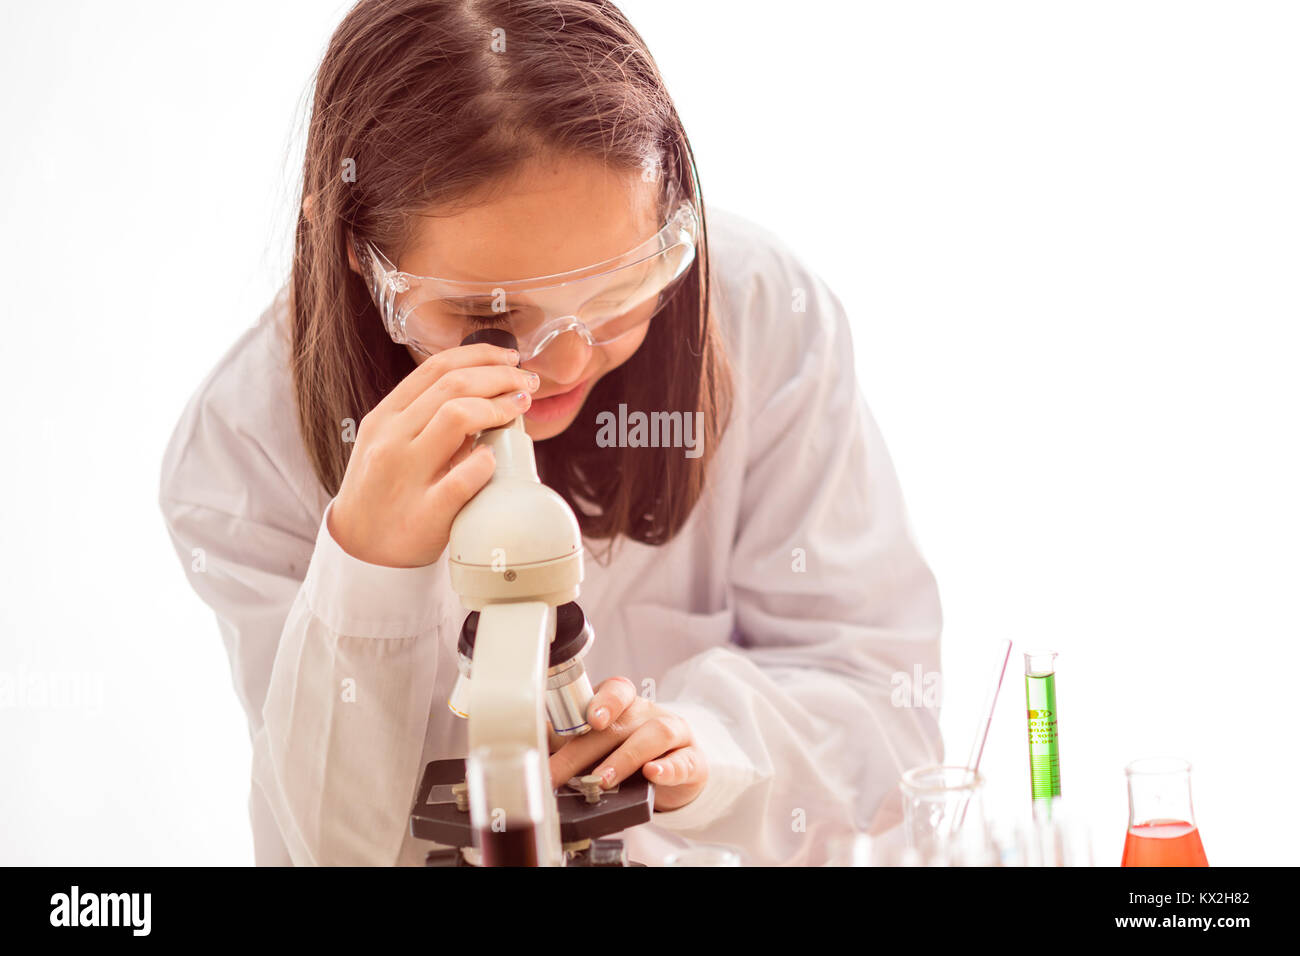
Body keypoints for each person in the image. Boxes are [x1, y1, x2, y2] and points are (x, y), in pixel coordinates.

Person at [159, 0, 943, 866]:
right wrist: (365, 574)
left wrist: (704, 750)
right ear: (353, 249)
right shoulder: (241, 451)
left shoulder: (763, 316)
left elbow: (885, 707)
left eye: (614, 293)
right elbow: (327, 849)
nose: (566, 364)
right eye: (486, 316)